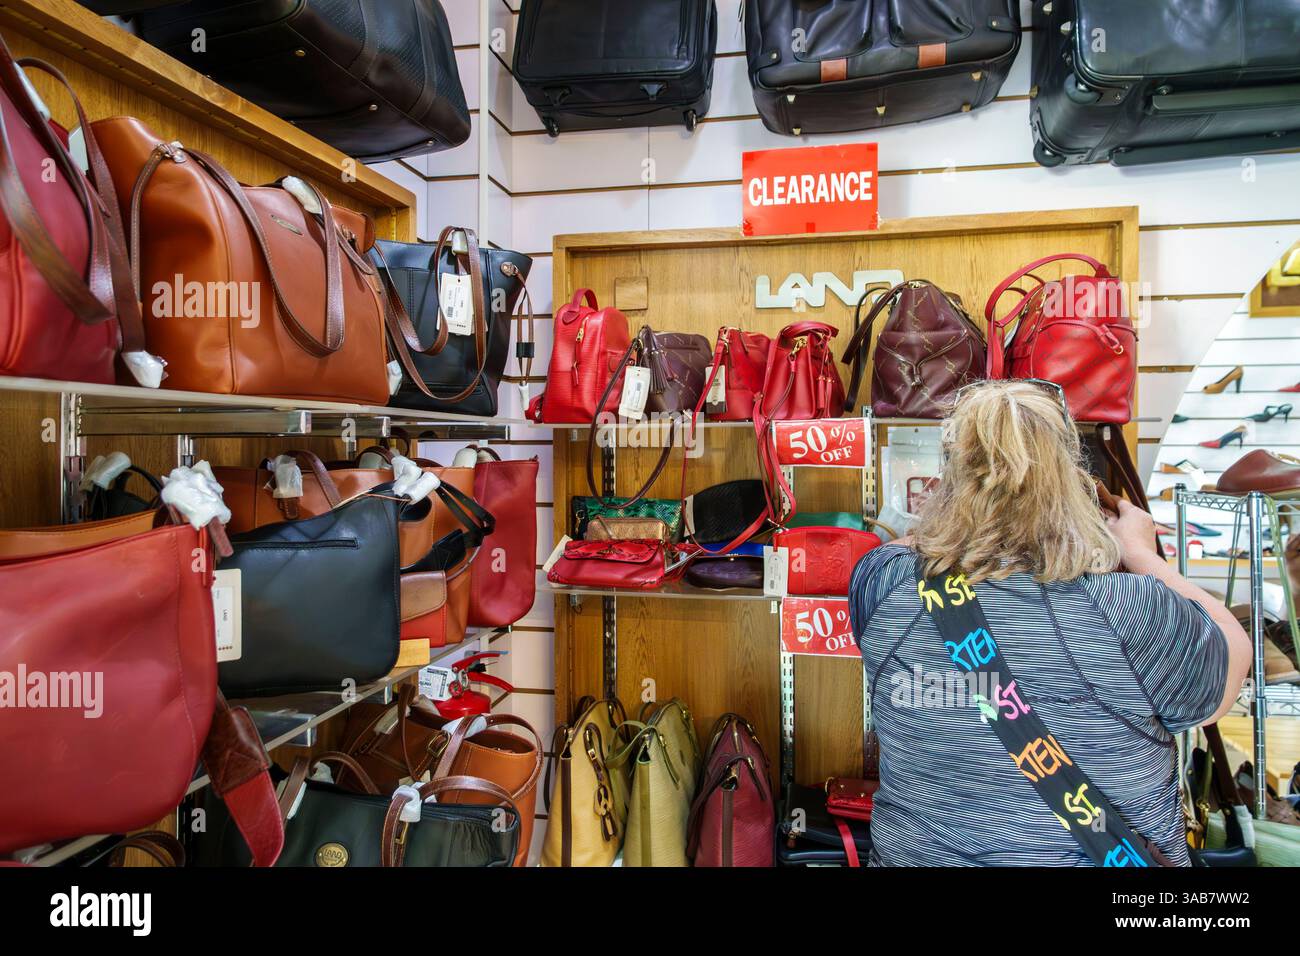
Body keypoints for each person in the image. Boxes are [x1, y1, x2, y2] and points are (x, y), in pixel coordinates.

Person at [848, 380, 1251, 866]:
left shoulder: (883, 585)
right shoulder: (1132, 609)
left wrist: (962, 523)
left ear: (949, 478)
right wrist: (1141, 553)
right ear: (1073, 481)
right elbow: (1232, 660)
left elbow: (909, 549)